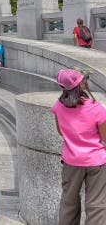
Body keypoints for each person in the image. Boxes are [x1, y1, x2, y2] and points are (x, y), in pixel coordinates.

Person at [52, 68, 106, 223]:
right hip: (96, 161)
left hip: (71, 161)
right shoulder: (96, 108)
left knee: (68, 201)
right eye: (85, 78)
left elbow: (61, 131)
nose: (86, 81)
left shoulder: (58, 106)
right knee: (96, 204)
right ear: (80, 85)